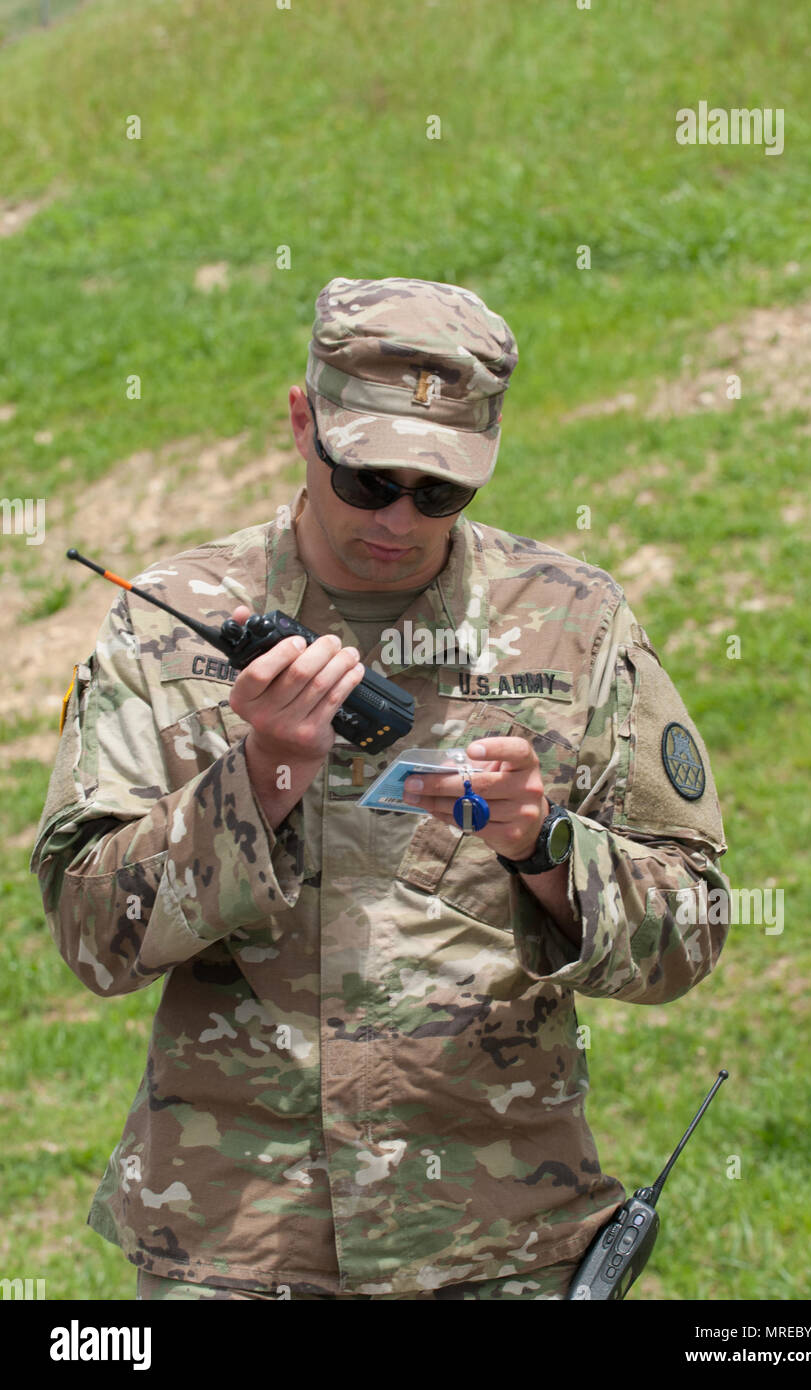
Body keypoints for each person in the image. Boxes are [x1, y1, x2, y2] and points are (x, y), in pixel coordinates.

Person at [31, 276, 730, 1301]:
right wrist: (258, 781)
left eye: (439, 491)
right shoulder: (170, 626)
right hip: (238, 1250)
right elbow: (92, 933)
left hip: (500, 1246)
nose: (399, 519)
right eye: (366, 480)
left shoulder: (573, 627)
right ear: (303, 422)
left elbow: (694, 928)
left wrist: (544, 847)